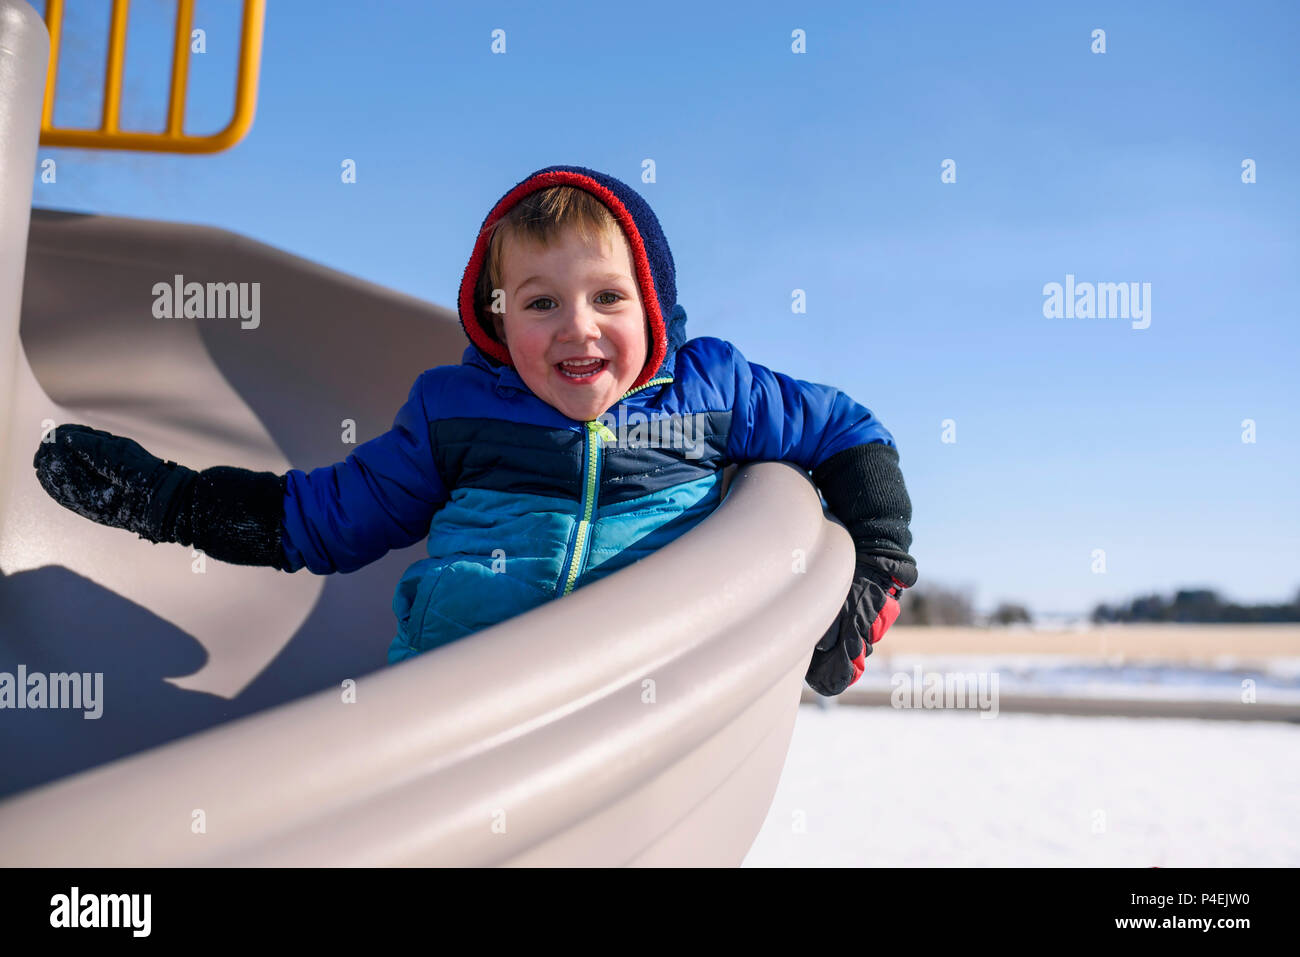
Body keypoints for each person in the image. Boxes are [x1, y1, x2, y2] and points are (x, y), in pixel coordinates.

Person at [31, 164, 917, 696]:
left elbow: (848, 430)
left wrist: (872, 562)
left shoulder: (712, 387)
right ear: (497, 318)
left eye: (608, 297)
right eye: (541, 303)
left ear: (654, 306)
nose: (577, 327)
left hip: (648, 700)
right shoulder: (455, 411)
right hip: (456, 712)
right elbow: (322, 519)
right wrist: (172, 500)